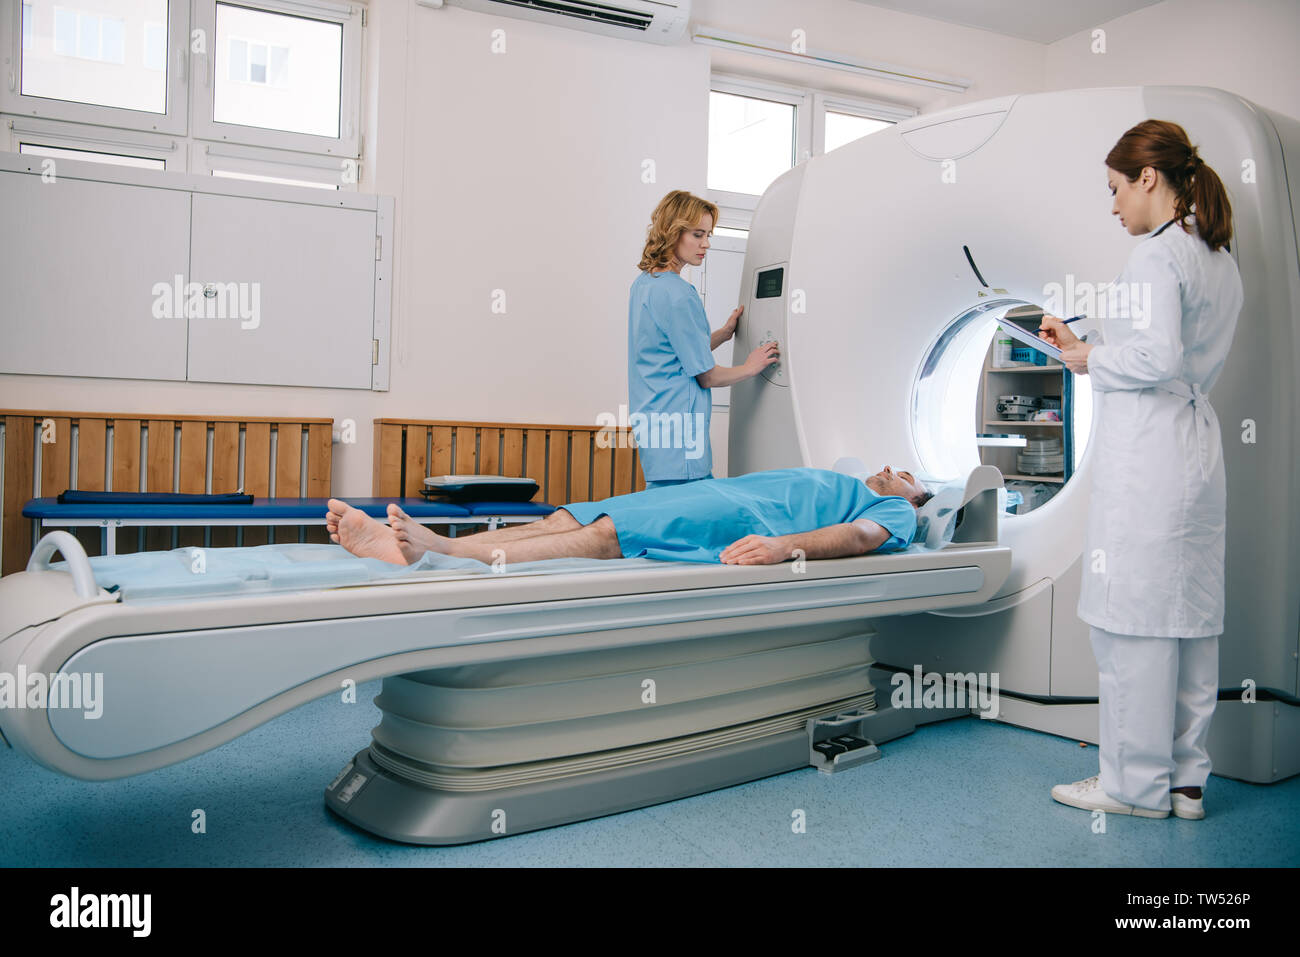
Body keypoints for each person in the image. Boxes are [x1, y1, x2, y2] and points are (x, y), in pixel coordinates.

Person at [1039, 120, 1243, 821]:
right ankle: (1186, 781)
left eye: (1116, 188)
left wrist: (1088, 358)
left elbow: (1153, 358)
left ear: (1149, 178)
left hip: (1151, 457)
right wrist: (1084, 339)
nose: (1114, 204)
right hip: (1194, 451)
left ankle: (1132, 785)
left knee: (1131, 622)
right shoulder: (1215, 252)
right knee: (1189, 617)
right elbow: (1172, 351)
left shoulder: (1157, 256)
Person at [325, 465, 932, 567]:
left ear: (912, 495)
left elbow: (859, 537)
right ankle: (411, 547)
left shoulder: (890, 509)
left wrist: (783, 549)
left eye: (908, 474)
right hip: (710, 491)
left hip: (739, 517)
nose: (893, 469)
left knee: (610, 535)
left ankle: (447, 551)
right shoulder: (840, 474)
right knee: (572, 515)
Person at [630, 190, 781, 488]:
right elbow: (707, 376)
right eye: (698, 234)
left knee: (666, 519)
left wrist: (722, 336)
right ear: (673, 232)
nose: (706, 244)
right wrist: (752, 366)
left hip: (657, 436)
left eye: (708, 235)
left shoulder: (645, 284)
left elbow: (670, 353)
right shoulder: (678, 294)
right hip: (681, 440)